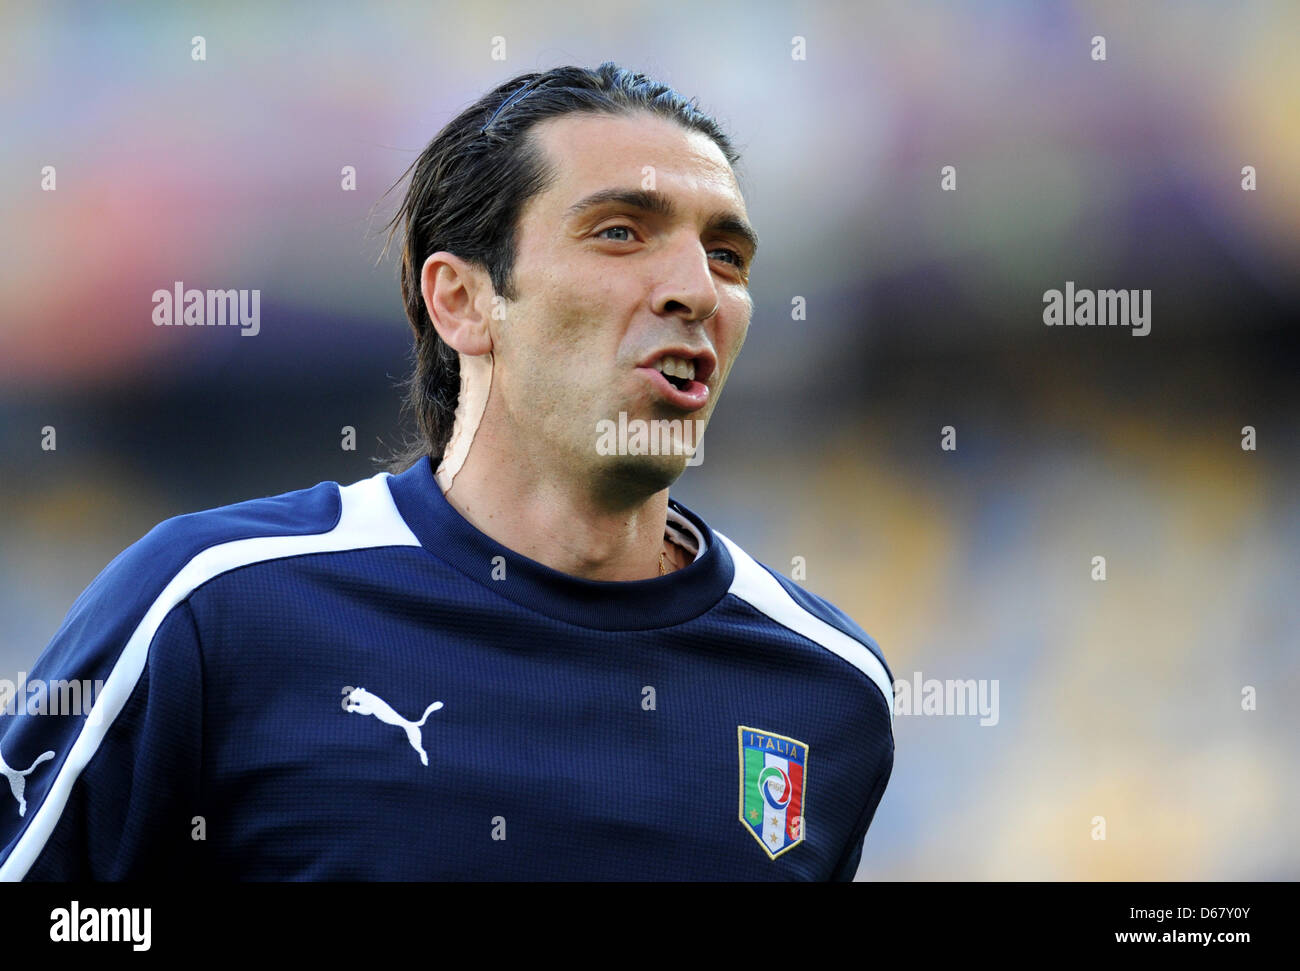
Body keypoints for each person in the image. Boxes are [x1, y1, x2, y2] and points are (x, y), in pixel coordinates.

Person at [0, 62, 893, 881]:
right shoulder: (212, 607)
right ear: (462, 300)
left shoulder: (829, 686)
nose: (697, 289)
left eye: (727, 255)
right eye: (621, 232)